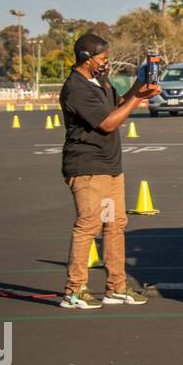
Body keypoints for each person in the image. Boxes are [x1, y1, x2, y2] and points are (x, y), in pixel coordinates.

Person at [58, 33, 160, 309]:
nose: (106, 63)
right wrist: (136, 100)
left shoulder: (99, 82)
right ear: (85, 58)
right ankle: (74, 290)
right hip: (88, 166)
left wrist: (141, 86)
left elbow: (118, 103)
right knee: (88, 224)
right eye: (102, 59)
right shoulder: (76, 88)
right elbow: (107, 123)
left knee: (115, 225)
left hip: (110, 164)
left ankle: (116, 287)